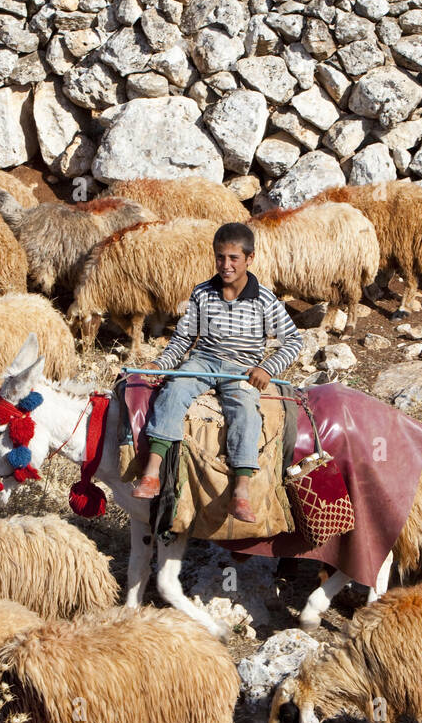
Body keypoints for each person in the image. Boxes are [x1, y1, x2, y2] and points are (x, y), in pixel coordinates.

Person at [130, 222, 303, 523]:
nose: (226, 265)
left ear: (250, 259)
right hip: (204, 361)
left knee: (246, 411)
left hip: (241, 370)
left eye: (234, 258)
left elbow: (294, 341)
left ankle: (242, 490)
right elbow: (184, 339)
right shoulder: (203, 293)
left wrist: (266, 367)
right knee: (174, 391)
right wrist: (160, 364)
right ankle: (152, 471)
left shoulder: (264, 299)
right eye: (220, 257)